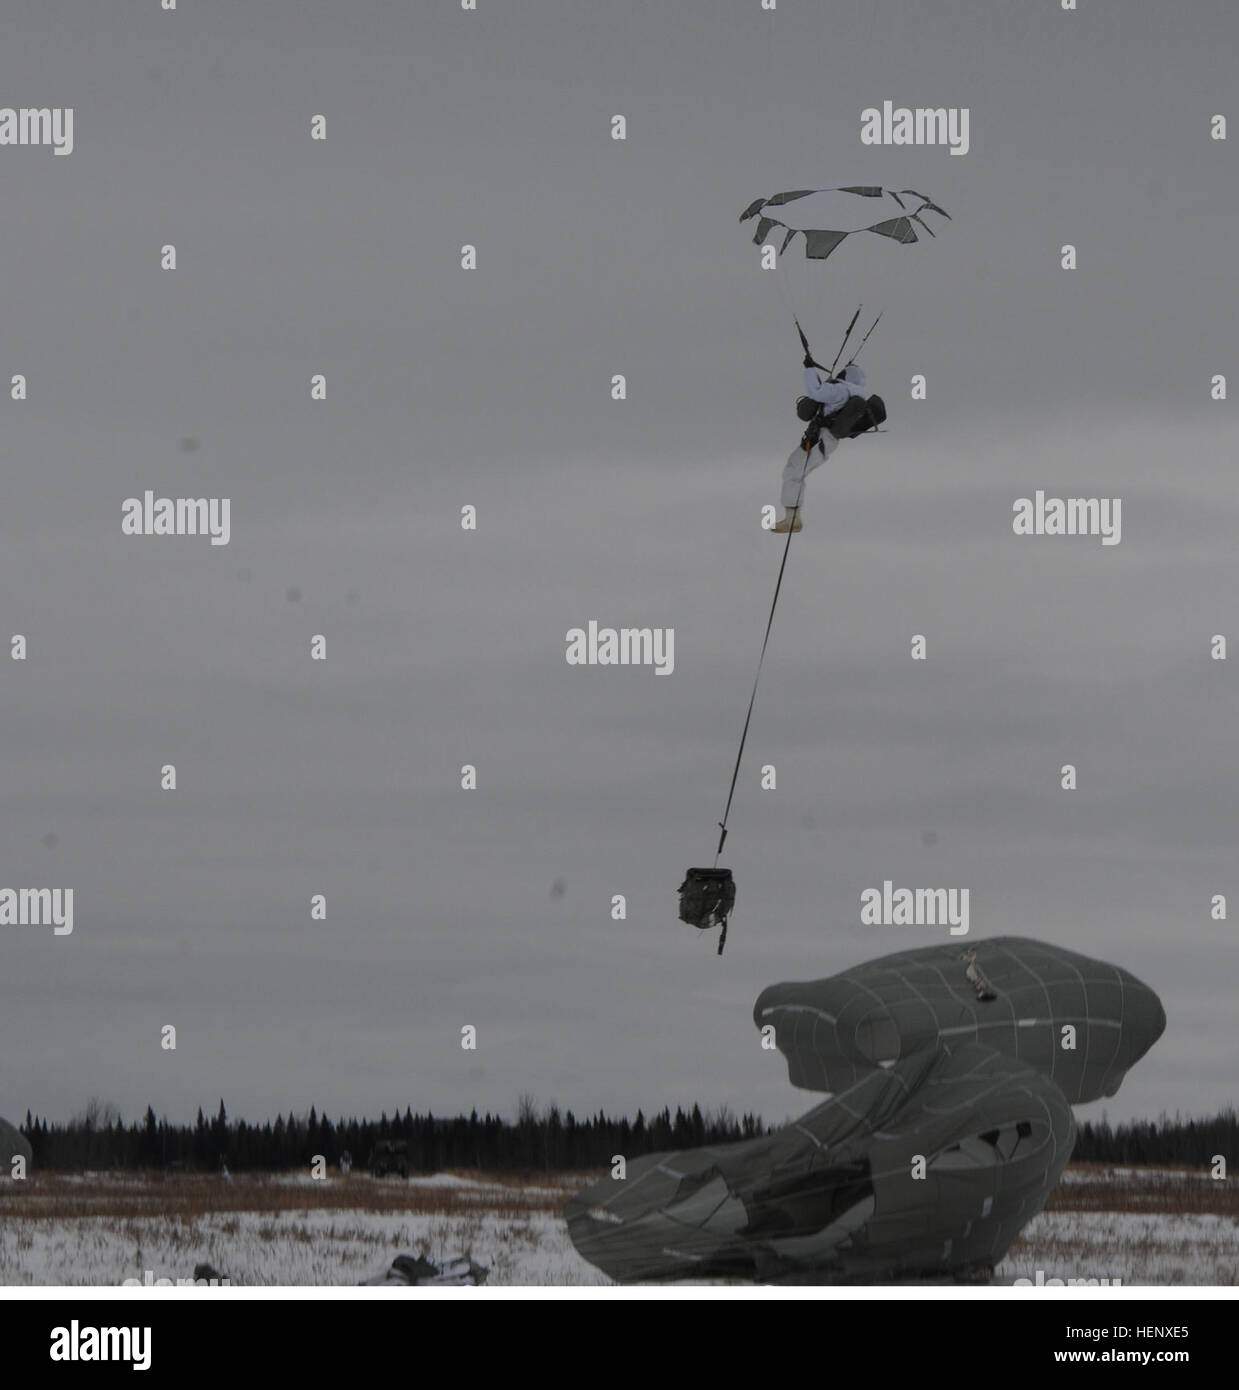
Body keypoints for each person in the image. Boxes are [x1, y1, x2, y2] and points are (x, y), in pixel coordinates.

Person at [773, 359, 869, 533]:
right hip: (824, 438)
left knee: (794, 471)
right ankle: (792, 517)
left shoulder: (841, 390)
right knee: (794, 470)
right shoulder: (851, 392)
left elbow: (816, 392)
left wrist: (810, 369)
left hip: (822, 437)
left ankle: (792, 520)